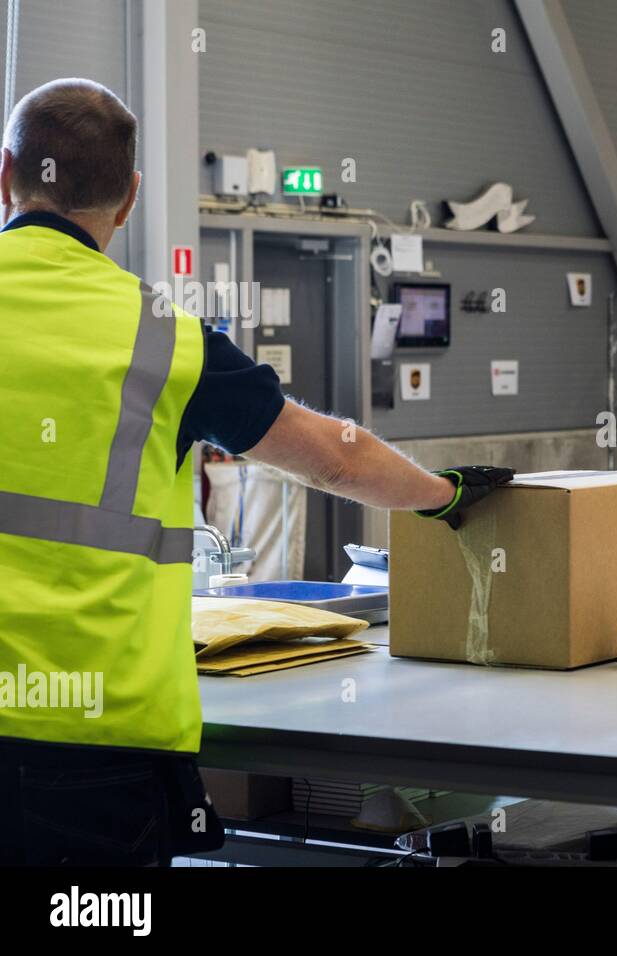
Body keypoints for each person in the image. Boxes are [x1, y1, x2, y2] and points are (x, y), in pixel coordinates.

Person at [0, 78, 511, 865]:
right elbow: (335, 456)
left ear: (6, 175)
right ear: (131, 197)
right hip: (98, 747)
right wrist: (444, 499)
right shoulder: (164, 337)